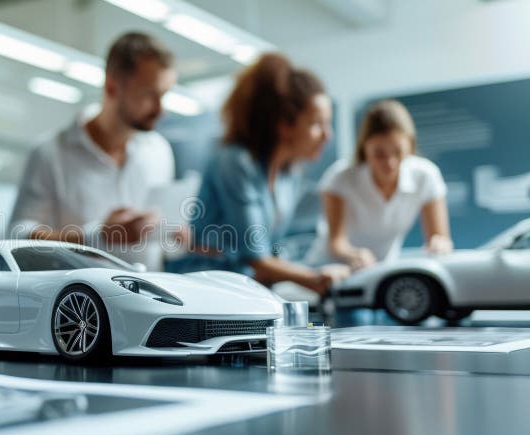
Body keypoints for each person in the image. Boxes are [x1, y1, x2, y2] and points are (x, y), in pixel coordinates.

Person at [181, 53, 349, 295]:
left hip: (246, 293)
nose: (327, 135)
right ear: (284, 125)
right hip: (208, 294)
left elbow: (271, 255)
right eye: (316, 124)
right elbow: (256, 257)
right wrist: (315, 277)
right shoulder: (235, 162)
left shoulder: (288, 175)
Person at [9, 32, 176, 270]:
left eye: (164, 95)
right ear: (111, 87)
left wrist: (176, 238)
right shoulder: (50, 153)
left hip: (152, 300)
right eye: (149, 94)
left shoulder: (159, 150)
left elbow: (160, 245)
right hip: (81, 303)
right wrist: (96, 237)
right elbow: (17, 239)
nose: (161, 109)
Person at [307, 100, 452, 270]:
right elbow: (335, 243)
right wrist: (354, 254)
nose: (390, 162)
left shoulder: (426, 176)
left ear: (410, 146)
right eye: (379, 153)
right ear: (364, 149)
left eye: (398, 152)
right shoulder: (340, 177)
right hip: (331, 268)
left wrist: (439, 245)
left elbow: (440, 237)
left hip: (381, 269)